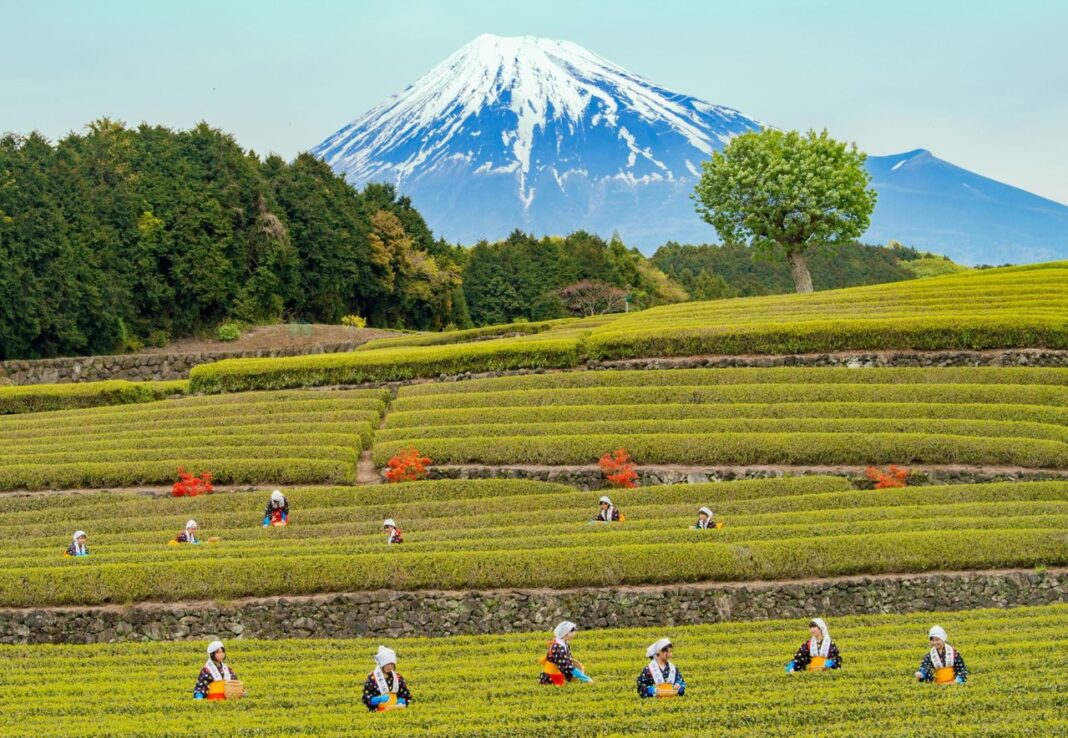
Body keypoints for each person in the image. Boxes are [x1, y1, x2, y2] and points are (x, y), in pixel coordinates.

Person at [539, 621, 593, 686]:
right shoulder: (558, 648)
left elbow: (567, 660)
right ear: (565, 634)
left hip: (558, 672)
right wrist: (585, 678)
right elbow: (567, 666)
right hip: (552, 675)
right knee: (559, 689)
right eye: (572, 631)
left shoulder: (565, 643)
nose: (574, 633)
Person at [362, 645, 412, 711]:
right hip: (379, 713)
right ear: (381, 664)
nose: (390, 667)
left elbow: (405, 694)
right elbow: (366, 697)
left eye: (392, 664)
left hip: (396, 711)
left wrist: (402, 701)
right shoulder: (372, 678)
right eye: (387, 664)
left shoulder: (398, 677)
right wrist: (376, 700)